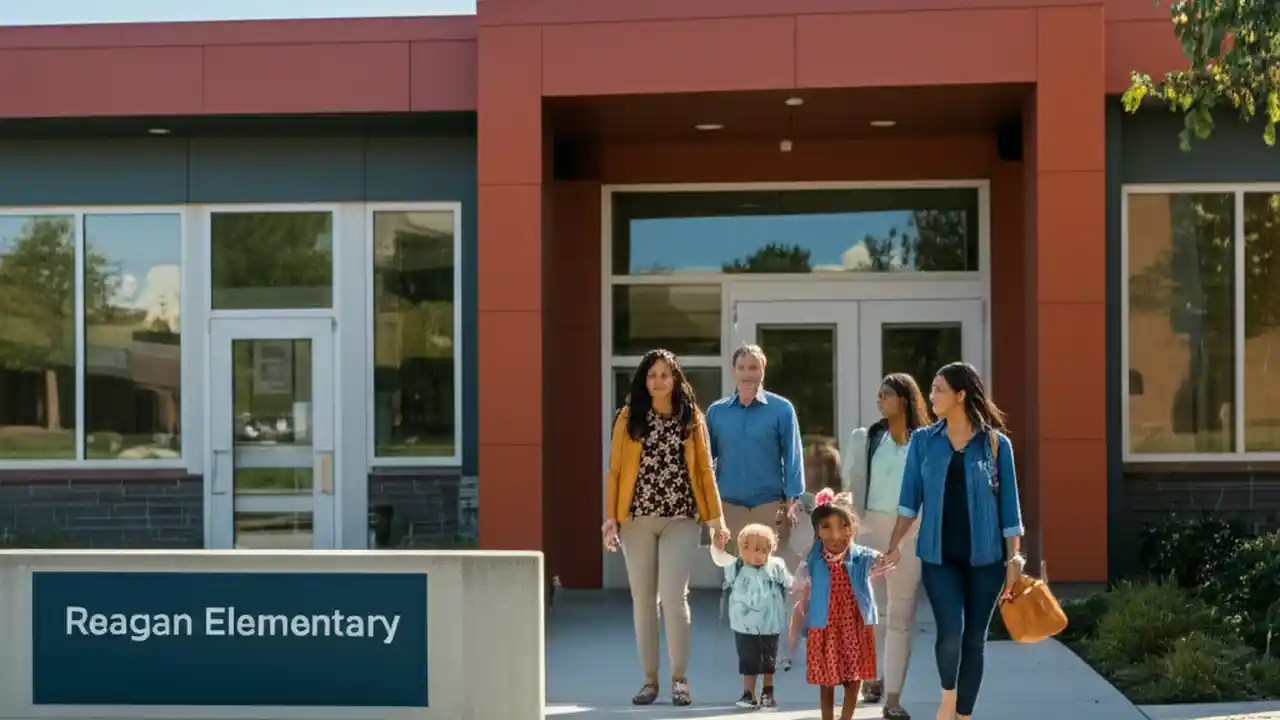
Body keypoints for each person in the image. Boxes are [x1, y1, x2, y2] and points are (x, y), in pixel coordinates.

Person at [881, 362, 1025, 720]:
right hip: (938, 556)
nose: (932, 396)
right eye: (932, 389)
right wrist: (894, 544)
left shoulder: (995, 444)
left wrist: (1014, 559)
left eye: (939, 389)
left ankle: (963, 715)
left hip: (987, 559)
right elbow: (908, 500)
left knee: (975, 639)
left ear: (961, 395)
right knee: (950, 634)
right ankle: (948, 698)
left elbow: (1010, 508)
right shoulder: (923, 442)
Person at [602, 348, 731, 708]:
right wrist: (610, 516)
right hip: (637, 519)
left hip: (681, 517)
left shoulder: (692, 418)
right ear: (644, 380)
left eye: (665, 374)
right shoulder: (628, 418)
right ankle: (649, 681)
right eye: (652, 374)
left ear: (675, 379)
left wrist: (716, 522)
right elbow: (614, 471)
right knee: (643, 599)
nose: (658, 380)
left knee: (674, 597)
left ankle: (679, 679)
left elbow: (705, 473)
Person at [844, 373, 932, 719]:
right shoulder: (868, 438)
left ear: (905, 400)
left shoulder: (926, 442)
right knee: (872, 613)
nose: (879, 401)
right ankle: (872, 678)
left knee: (900, 616)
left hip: (911, 531)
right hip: (870, 531)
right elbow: (852, 485)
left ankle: (892, 698)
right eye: (878, 395)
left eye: (886, 395)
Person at [791, 489, 893, 720]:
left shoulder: (858, 556)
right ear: (817, 532)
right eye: (826, 527)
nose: (834, 535)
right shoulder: (815, 559)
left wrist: (881, 558)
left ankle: (846, 717)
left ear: (851, 528)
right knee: (826, 681)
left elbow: (876, 557)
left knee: (853, 678)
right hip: (825, 627)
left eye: (841, 526)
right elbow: (805, 549)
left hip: (854, 627)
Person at [706, 343, 805, 571]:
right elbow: (705, 462)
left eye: (753, 367)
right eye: (741, 368)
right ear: (734, 371)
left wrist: (793, 497)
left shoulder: (782, 409)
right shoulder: (717, 412)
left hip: (768, 504)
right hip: (728, 506)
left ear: (763, 369)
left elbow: (793, 455)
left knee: (769, 575)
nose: (747, 374)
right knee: (733, 576)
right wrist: (707, 504)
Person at [723, 523, 793, 710]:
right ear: (741, 548)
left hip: (770, 623)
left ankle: (768, 691)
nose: (758, 555)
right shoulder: (735, 567)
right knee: (748, 659)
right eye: (752, 549)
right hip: (743, 624)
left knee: (769, 659)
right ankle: (749, 693)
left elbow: (789, 582)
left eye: (764, 550)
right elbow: (726, 576)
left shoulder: (775, 566)